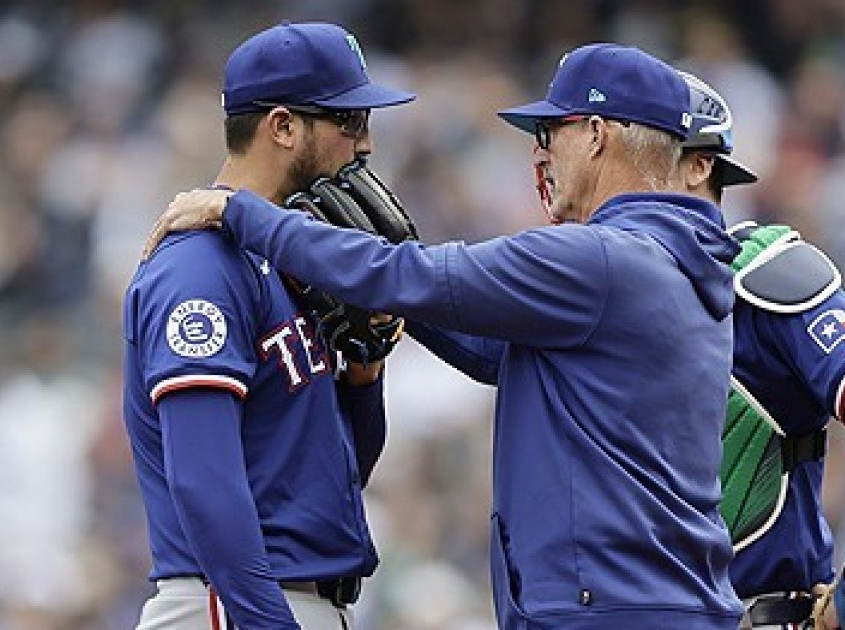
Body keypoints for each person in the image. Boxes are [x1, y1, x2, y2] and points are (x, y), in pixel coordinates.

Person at [145, 43, 745, 630]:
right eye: (350, 119)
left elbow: (419, 278)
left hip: (612, 608)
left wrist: (243, 213)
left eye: (549, 132)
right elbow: (491, 353)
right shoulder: (675, 261)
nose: (541, 154)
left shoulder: (606, 260)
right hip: (661, 598)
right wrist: (373, 351)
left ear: (594, 134)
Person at [122, 21, 414, 630]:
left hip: (291, 601)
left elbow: (335, 477)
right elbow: (204, 483)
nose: (366, 145)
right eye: (349, 122)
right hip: (225, 607)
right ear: (282, 126)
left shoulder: (293, 261)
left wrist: (364, 377)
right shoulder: (200, 266)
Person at [673, 71, 845, 629]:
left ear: (694, 167)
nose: (550, 157)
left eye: (575, 134)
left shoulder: (754, 277)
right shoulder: (577, 295)